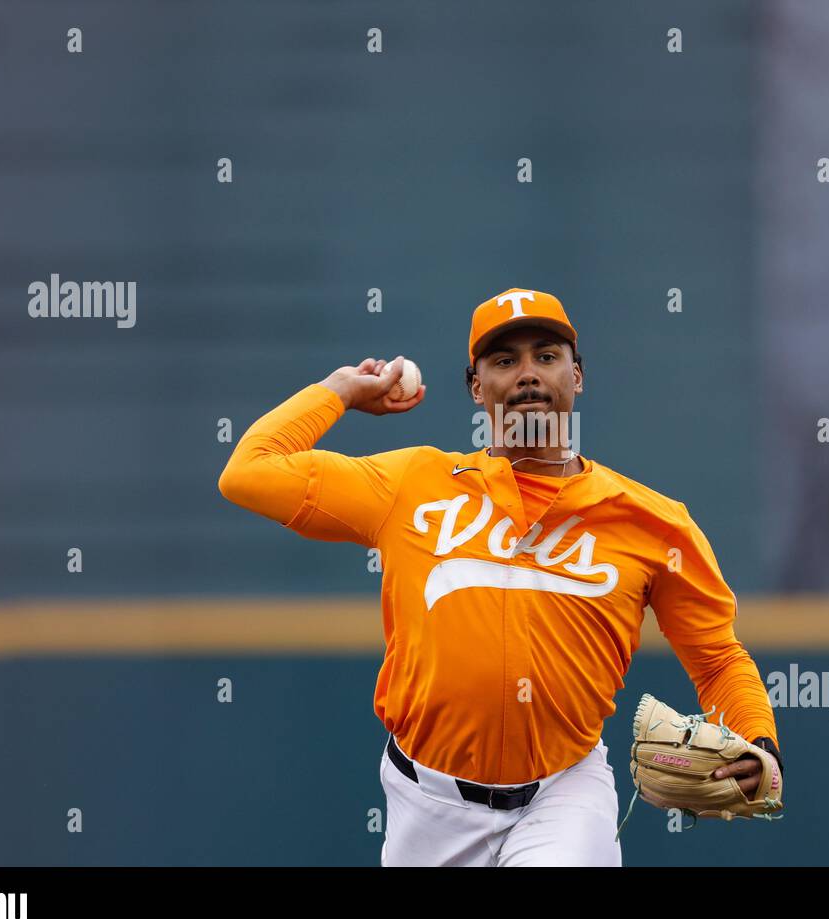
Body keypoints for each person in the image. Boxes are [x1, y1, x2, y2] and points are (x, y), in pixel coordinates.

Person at [217, 287, 782, 866]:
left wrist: (759, 739)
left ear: (577, 376)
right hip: (424, 803)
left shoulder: (652, 522)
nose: (528, 375)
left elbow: (716, 657)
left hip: (564, 794)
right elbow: (249, 473)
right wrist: (338, 391)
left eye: (546, 355)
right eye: (505, 361)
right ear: (475, 387)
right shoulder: (412, 483)